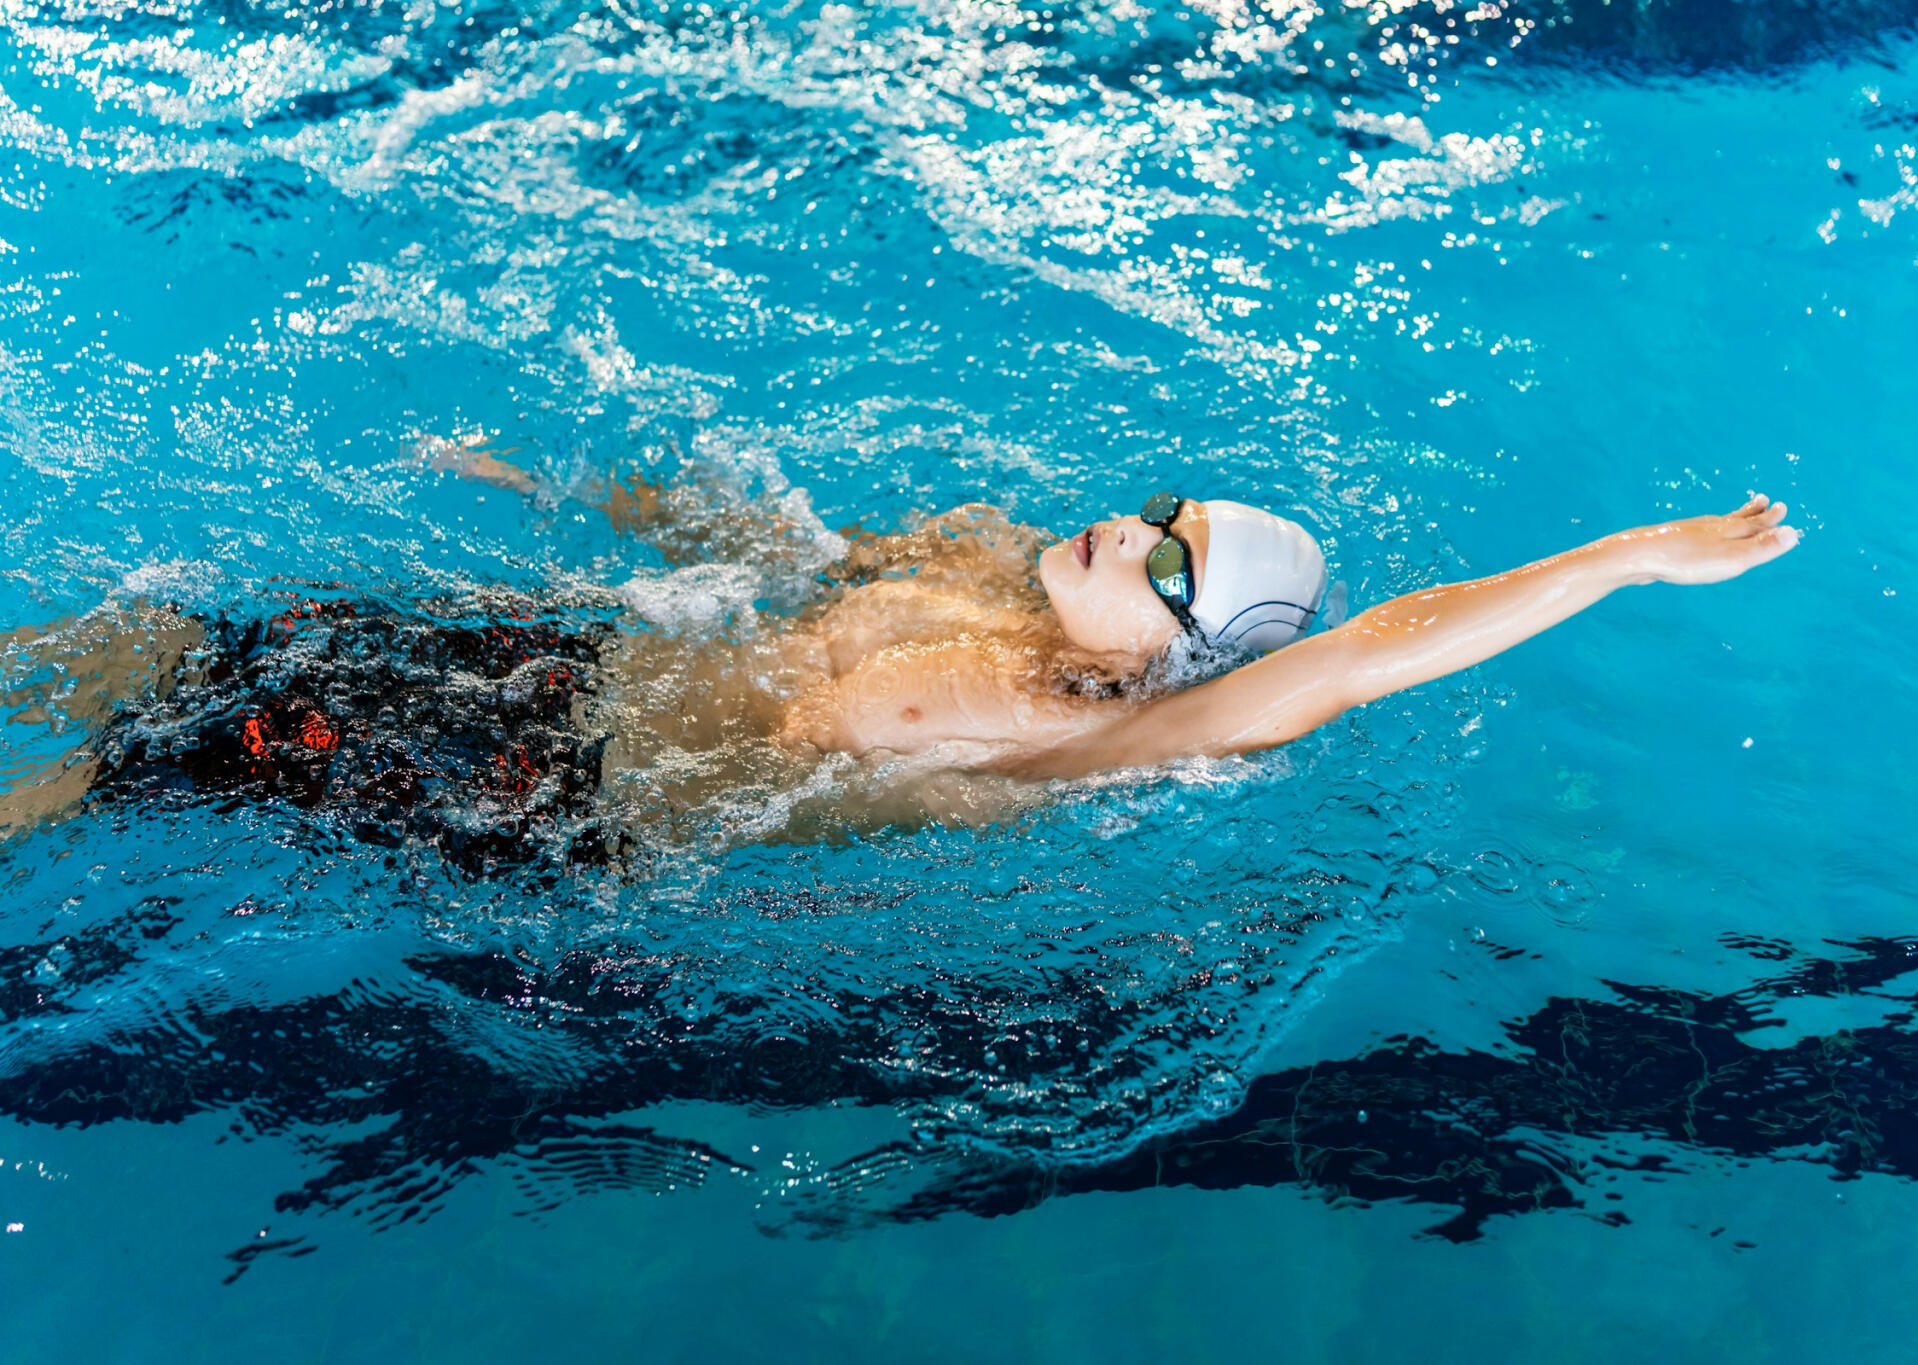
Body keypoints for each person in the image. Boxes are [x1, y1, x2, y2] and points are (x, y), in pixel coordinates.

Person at [0, 439, 1798, 851]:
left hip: (569, 790)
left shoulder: (1082, 737)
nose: (1137, 529)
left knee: (140, 748)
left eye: (1170, 565)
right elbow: (765, 550)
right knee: (171, 634)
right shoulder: (976, 567)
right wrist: (564, 492)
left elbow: (1374, 651)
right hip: (562, 667)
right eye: (1171, 507)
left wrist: (1635, 554)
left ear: (1172, 663)